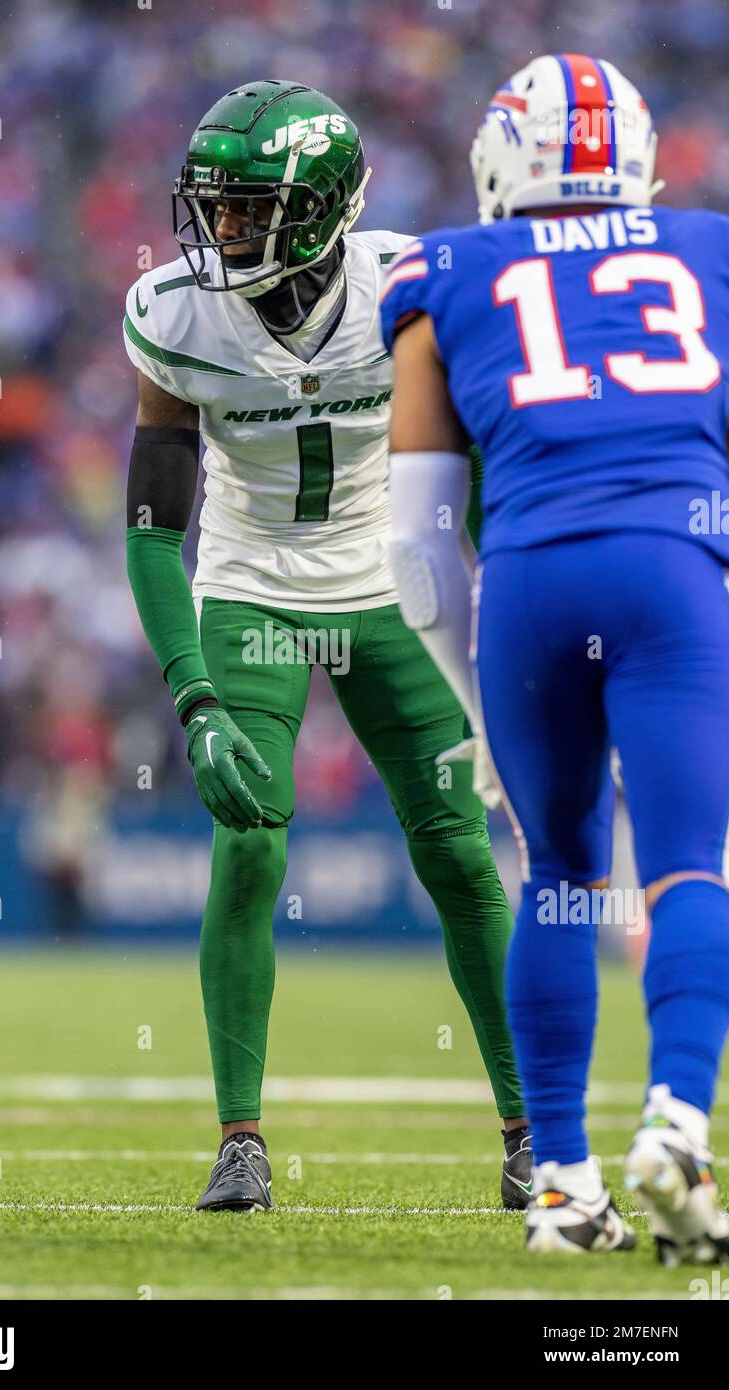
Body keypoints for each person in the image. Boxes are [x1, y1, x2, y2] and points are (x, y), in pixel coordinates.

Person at [123, 80, 529, 1213]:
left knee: (455, 851)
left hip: (384, 585)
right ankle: (241, 1138)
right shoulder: (174, 314)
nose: (219, 232)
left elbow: (475, 475)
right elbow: (154, 530)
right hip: (249, 584)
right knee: (247, 842)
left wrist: (504, 619)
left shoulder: (408, 287)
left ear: (317, 209)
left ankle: (525, 1130)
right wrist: (195, 699)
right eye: (212, 207)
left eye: (246, 209)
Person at [381, 52, 729, 1263]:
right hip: (672, 569)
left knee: (557, 871)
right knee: (687, 862)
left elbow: (415, 540)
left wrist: (466, 700)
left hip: (527, 581)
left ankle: (562, 1193)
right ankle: (677, 1121)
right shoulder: (706, 248)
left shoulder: (444, 271)